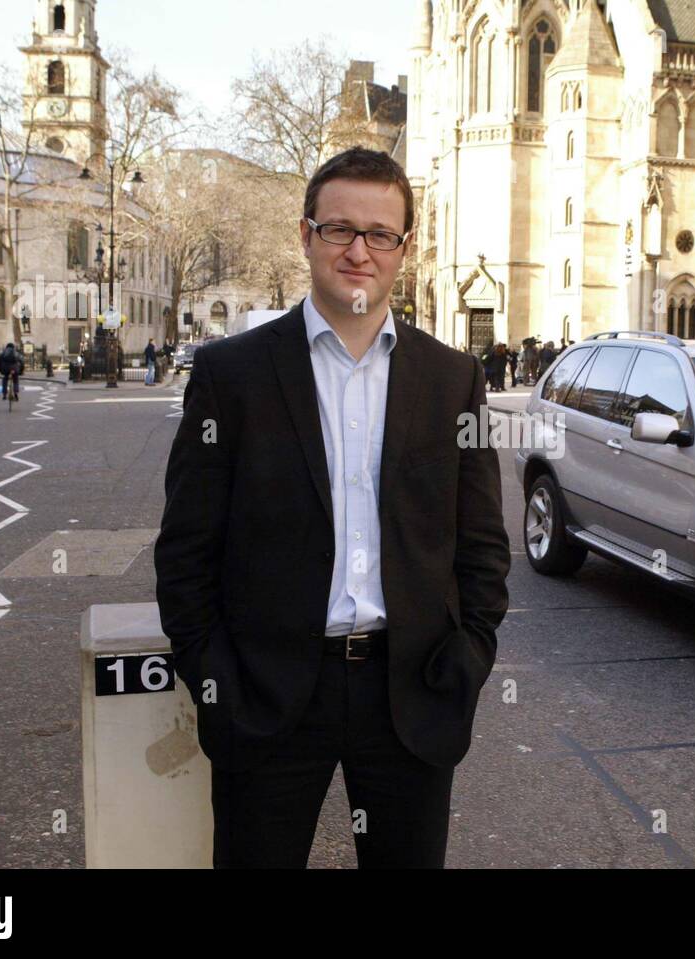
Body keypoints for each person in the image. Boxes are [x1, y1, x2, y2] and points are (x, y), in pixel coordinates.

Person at [155, 146, 511, 869]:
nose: (359, 250)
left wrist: (467, 656)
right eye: (339, 228)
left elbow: (482, 547)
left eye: (381, 234)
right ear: (305, 235)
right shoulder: (232, 375)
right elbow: (185, 552)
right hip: (269, 696)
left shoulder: (451, 378)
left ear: (404, 250)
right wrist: (218, 681)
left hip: (408, 692)